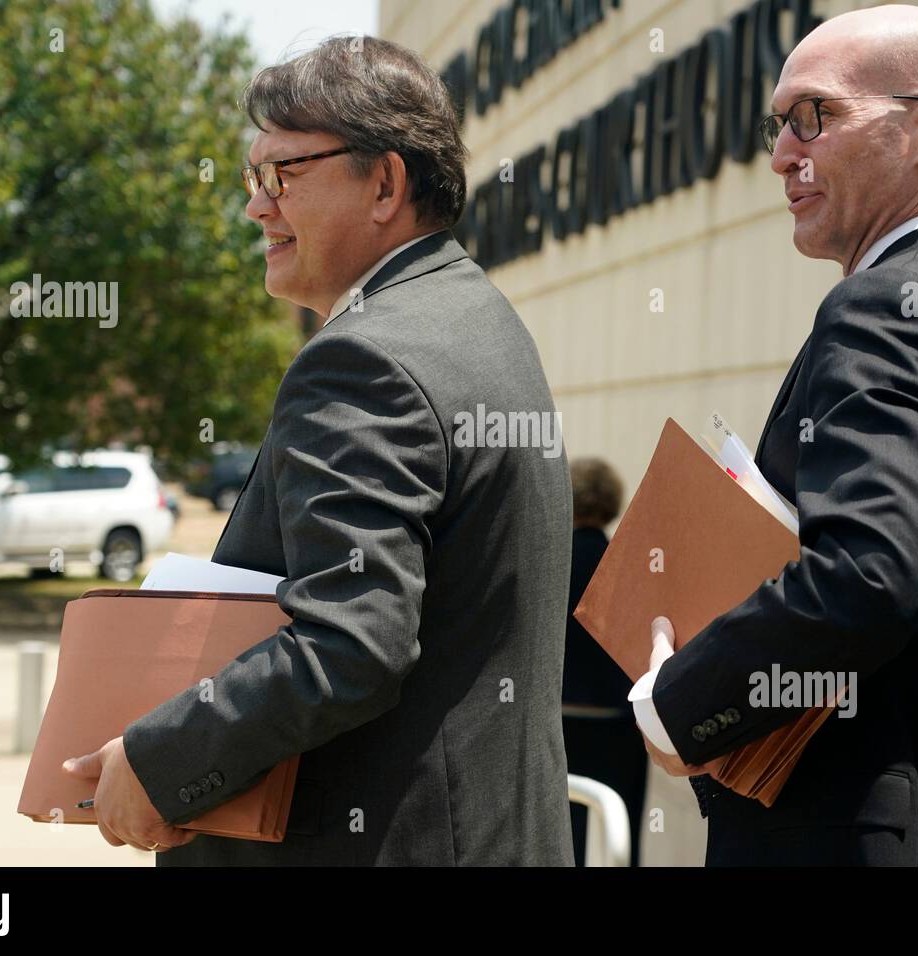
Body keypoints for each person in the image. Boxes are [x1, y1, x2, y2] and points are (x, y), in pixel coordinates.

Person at [63, 35, 574, 865]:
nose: (257, 206)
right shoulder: (475, 318)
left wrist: (159, 763)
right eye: (251, 177)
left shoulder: (366, 356)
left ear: (384, 182)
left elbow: (353, 642)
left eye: (283, 175)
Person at [631, 4, 918, 865]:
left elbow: (871, 576)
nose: (780, 156)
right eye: (777, 125)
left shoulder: (883, 304)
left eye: (814, 117)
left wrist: (678, 706)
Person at [561, 458, 645, 866]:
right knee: (622, 823)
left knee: (565, 831)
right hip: (617, 720)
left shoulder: (554, 563)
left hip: (562, 717)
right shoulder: (624, 563)